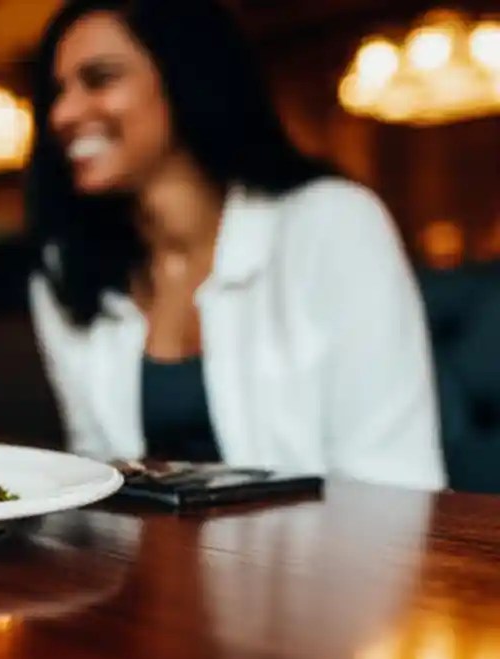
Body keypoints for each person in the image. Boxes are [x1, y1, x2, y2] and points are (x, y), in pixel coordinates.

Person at [26, 0, 445, 489]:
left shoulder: (332, 223)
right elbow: (97, 481)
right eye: (57, 92)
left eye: (100, 79)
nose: (63, 113)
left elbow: (395, 483)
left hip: (336, 561)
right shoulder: (67, 275)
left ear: (184, 74)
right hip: (145, 565)